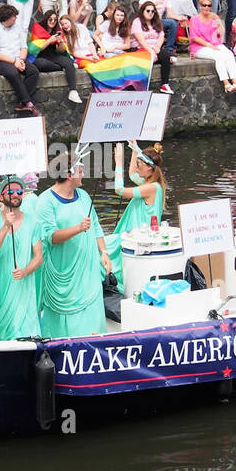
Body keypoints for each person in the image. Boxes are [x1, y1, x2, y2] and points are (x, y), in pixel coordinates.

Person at [35, 148, 111, 336]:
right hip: (62, 270)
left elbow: (96, 226)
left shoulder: (84, 196)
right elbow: (50, 237)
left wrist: (104, 252)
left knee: (92, 318)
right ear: (69, 175)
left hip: (88, 269)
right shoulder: (46, 201)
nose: (83, 174)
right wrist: (78, 228)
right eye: (81, 170)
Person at [0, 175, 44, 341]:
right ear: (1, 197)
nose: (15, 194)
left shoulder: (33, 222)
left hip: (22, 288)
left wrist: (24, 271)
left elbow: (38, 257)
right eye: (10, 191)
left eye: (19, 191)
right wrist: (6, 225)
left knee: (25, 338)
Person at [103, 142, 165, 278]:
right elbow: (131, 174)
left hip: (137, 238)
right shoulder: (149, 184)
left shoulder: (151, 188)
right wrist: (134, 150)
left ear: (149, 168)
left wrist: (118, 163)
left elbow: (119, 190)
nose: (136, 168)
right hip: (134, 234)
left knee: (100, 246)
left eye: (139, 165)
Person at [0, 3, 39, 114]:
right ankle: (28, 103)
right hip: (0, 60)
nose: (16, 19)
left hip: (18, 58)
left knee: (34, 71)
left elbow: (24, 46)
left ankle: (22, 103)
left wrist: (21, 60)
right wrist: (14, 62)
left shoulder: (18, 27)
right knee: (13, 73)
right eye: (14, 17)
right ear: (6, 18)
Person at [188, 0, 236, 93]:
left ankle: (235, 83)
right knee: (219, 56)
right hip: (199, 47)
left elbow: (221, 33)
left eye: (209, 5)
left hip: (215, 44)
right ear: (200, 6)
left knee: (229, 54)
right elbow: (194, 37)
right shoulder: (195, 19)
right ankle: (226, 83)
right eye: (204, 5)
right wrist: (209, 45)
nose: (206, 7)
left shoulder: (213, 18)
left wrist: (217, 19)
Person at [128, 1, 173, 95]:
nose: (150, 13)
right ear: (143, 11)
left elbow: (161, 36)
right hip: (141, 48)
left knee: (165, 55)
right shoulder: (137, 22)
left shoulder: (156, 22)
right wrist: (152, 52)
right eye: (148, 11)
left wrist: (157, 47)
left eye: (153, 11)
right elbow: (141, 40)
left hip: (154, 47)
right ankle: (141, 87)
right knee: (150, 59)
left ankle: (165, 84)